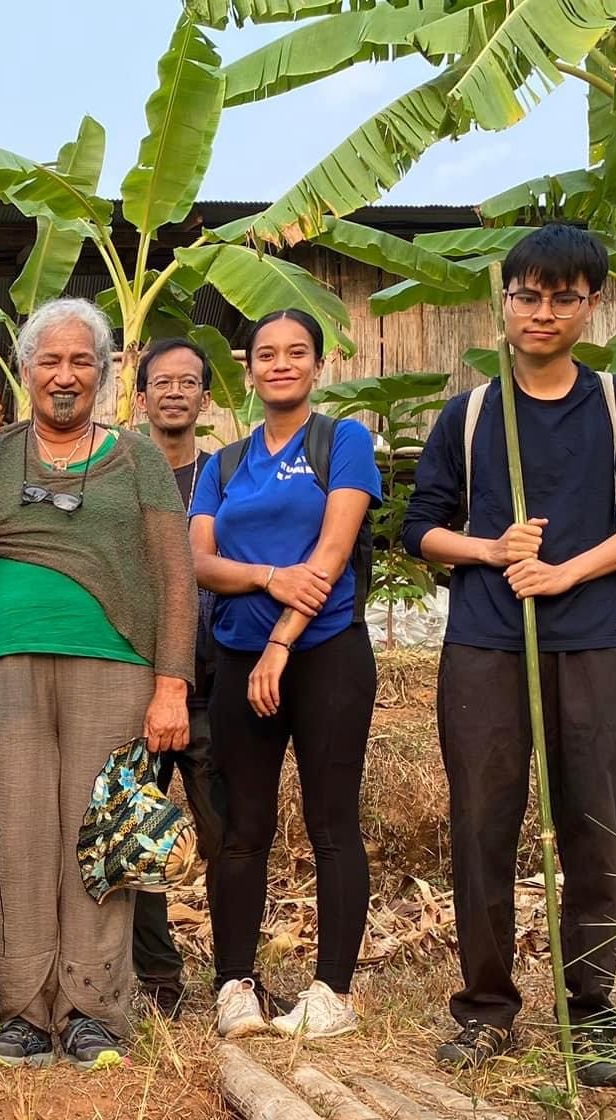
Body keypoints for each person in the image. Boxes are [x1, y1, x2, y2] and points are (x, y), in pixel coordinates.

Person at [402, 224, 616, 1086]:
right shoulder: (471, 412)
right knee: (483, 824)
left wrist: (568, 572)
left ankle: (591, 1010)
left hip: (597, 639)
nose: (544, 312)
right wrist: (489, 550)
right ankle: (486, 1008)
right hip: (485, 642)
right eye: (528, 295)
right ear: (505, 303)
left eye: (565, 297)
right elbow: (421, 529)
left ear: (590, 305)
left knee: (597, 825)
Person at [0, 298, 196, 1069]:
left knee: (98, 830)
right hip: (3, 663)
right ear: (24, 370)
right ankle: (22, 1012)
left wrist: (171, 683)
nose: (65, 376)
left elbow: (175, 579)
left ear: (104, 375)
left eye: (82, 362)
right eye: (49, 360)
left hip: (115, 665)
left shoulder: (137, 458)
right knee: (13, 833)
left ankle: (93, 1011)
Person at [193, 310, 382, 1041]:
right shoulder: (226, 462)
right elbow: (201, 561)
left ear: (316, 364)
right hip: (240, 656)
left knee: (331, 821)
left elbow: (332, 555)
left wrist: (282, 642)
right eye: (266, 354)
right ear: (249, 371)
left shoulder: (344, 442)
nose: (280, 364)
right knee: (243, 826)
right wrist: (270, 577)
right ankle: (234, 984)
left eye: (294, 353)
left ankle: (332, 992)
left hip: (326, 652)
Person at [128, 335, 223, 1014]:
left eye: (188, 382)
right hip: (136, 682)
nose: (174, 392)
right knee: (138, 833)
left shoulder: (225, 477)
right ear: (140, 397)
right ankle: (157, 982)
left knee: (231, 834)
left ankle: (235, 976)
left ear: (206, 397)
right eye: (162, 382)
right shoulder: (119, 477)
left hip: (215, 684)